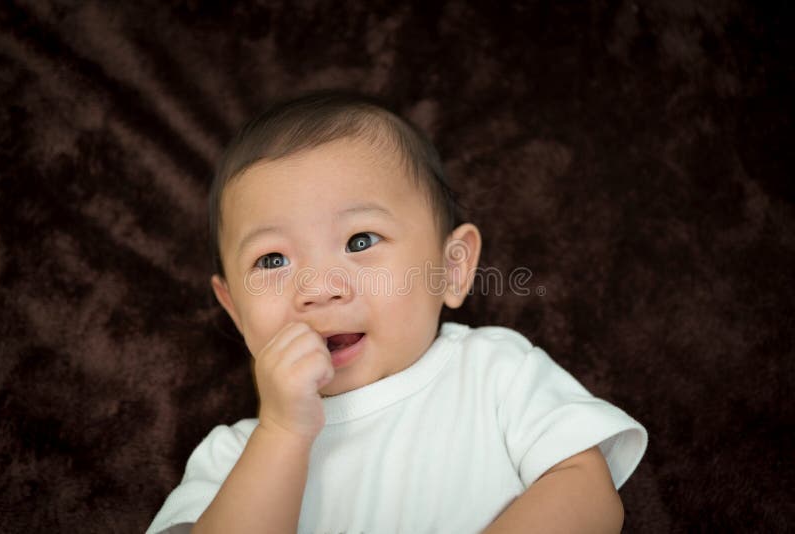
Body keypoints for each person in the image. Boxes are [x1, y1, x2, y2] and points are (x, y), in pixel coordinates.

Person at [147, 90, 648, 534]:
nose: (318, 289)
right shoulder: (232, 456)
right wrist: (281, 432)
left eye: (360, 241)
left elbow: (587, 491)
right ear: (235, 310)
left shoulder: (494, 371)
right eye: (272, 260)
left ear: (450, 269)